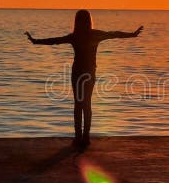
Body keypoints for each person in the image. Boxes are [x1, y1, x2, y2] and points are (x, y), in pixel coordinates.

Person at [25, 9, 143, 148]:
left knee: (78, 104)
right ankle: (85, 138)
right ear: (89, 21)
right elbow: (114, 34)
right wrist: (132, 34)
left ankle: (78, 137)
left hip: (77, 73)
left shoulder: (75, 36)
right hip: (89, 73)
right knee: (86, 104)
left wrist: (35, 41)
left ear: (76, 21)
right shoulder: (95, 34)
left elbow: (55, 40)